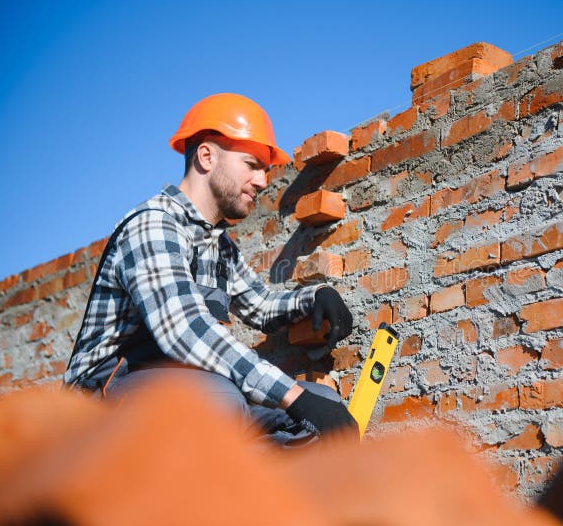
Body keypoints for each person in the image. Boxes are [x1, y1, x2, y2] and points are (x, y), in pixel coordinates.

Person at [64, 93, 358, 443]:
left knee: (320, 406)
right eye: (252, 165)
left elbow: (261, 306)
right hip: (100, 400)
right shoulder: (153, 225)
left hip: (186, 388)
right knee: (223, 399)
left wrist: (315, 297)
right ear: (206, 156)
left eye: (265, 170)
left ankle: (253, 489)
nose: (263, 181)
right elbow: (185, 329)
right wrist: (294, 397)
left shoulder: (219, 247)